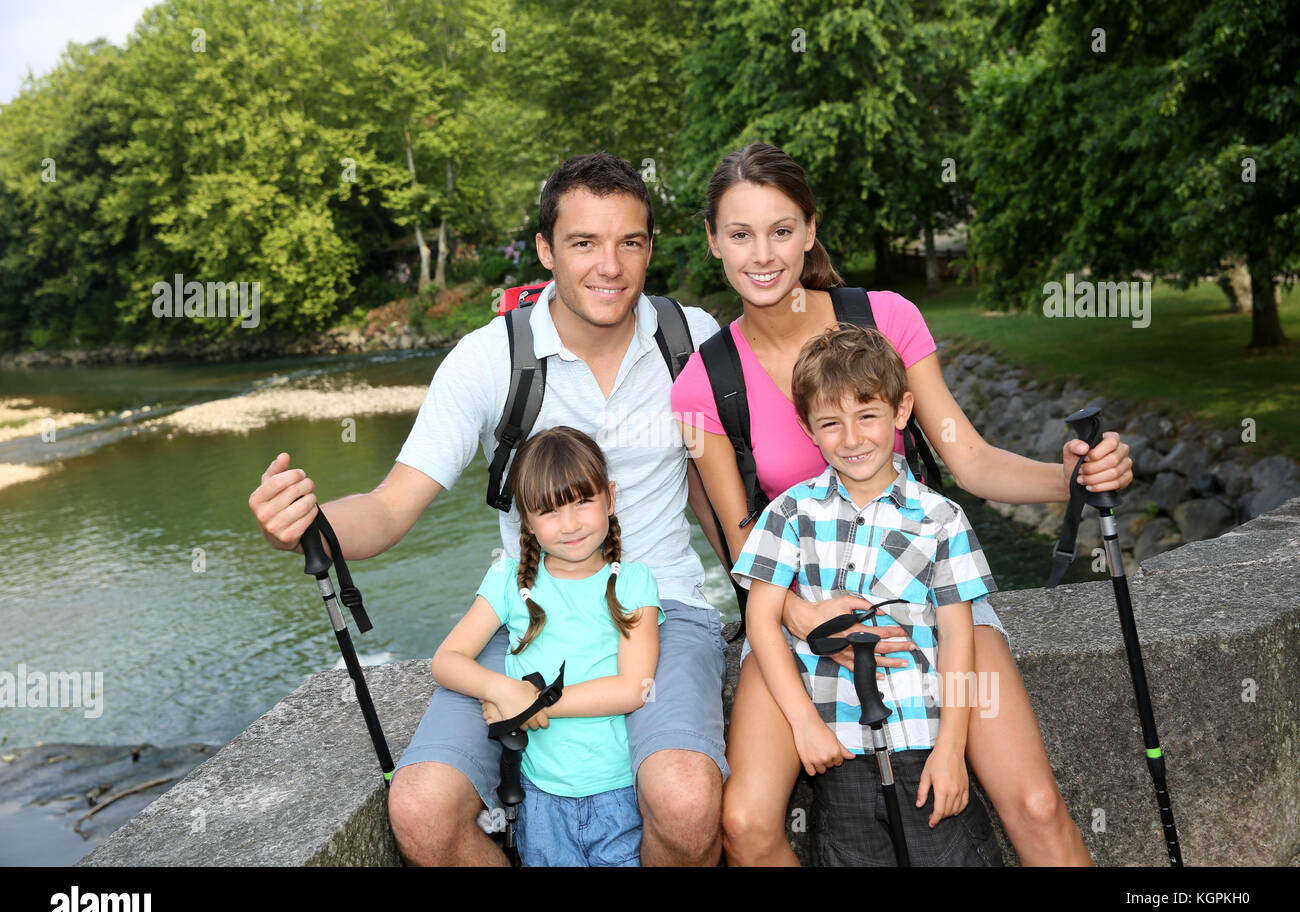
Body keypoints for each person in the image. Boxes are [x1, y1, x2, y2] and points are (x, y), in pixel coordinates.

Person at [249, 152, 728, 866]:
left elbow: (723, 491)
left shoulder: (689, 341)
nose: (610, 266)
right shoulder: (487, 361)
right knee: (419, 810)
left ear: (651, 248)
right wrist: (309, 527)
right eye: (584, 243)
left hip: (666, 607)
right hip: (527, 615)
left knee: (687, 803)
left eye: (630, 242)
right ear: (545, 250)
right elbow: (388, 508)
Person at [673, 142, 1130, 866]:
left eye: (782, 230)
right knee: (749, 826)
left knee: (1036, 808)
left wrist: (1070, 480)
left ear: (811, 230)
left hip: (927, 591)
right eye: (740, 234)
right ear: (712, 240)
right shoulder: (702, 383)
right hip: (795, 608)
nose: (763, 254)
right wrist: (803, 616)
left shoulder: (886, 317)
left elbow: (969, 459)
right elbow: (738, 538)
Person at [731, 325, 1003, 866]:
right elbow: (763, 624)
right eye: (831, 423)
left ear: (902, 412)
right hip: (840, 749)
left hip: (924, 742)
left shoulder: (941, 519)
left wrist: (952, 749)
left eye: (867, 416)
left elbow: (957, 635)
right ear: (809, 428)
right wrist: (805, 724)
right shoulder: (787, 514)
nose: (852, 439)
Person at [430, 427, 661, 866]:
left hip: (617, 794)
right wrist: (500, 689)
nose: (570, 524)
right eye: (549, 512)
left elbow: (635, 687)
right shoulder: (508, 580)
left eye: (583, 502)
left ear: (610, 499)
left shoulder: (634, 582)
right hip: (535, 799)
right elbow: (447, 661)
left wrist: (531, 705)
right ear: (528, 522)